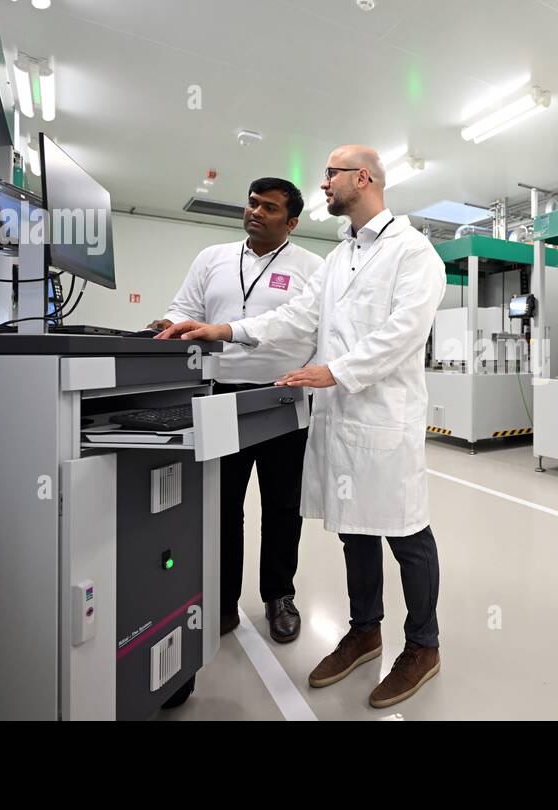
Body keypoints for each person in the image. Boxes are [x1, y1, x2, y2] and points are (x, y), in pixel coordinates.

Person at [158, 145, 446, 709]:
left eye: (331, 175)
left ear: (362, 177)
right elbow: (297, 316)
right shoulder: (339, 257)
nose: (324, 184)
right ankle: (365, 630)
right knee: (354, 527)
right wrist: (223, 331)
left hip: (385, 418)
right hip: (338, 417)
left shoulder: (414, 253)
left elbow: (403, 333)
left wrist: (332, 371)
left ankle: (423, 646)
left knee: (407, 532)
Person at [148, 178, 322, 643]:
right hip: (221, 395)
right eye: (252, 203)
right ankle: (221, 600)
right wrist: (168, 322)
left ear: (291, 222)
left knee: (284, 506)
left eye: (269, 207)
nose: (256, 212)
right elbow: (183, 307)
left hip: (284, 398)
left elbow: (316, 329)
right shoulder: (213, 258)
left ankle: (279, 596)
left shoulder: (312, 267)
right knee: (222, 504)